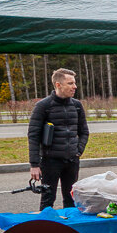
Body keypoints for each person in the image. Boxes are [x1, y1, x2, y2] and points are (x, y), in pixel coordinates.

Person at [28, 68, 89, 210]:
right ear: (58, 85)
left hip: (72, 161)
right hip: (50, 161)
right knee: (48, 199)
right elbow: (33, 135)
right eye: (70, 83)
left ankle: (69, 230)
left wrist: (78, 151)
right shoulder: (43, 106)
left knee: (71, 199)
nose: (75, 87)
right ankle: (45, 230)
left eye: (74, 83)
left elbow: (84, 132)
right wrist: (34, 164)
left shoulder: (77, 105)